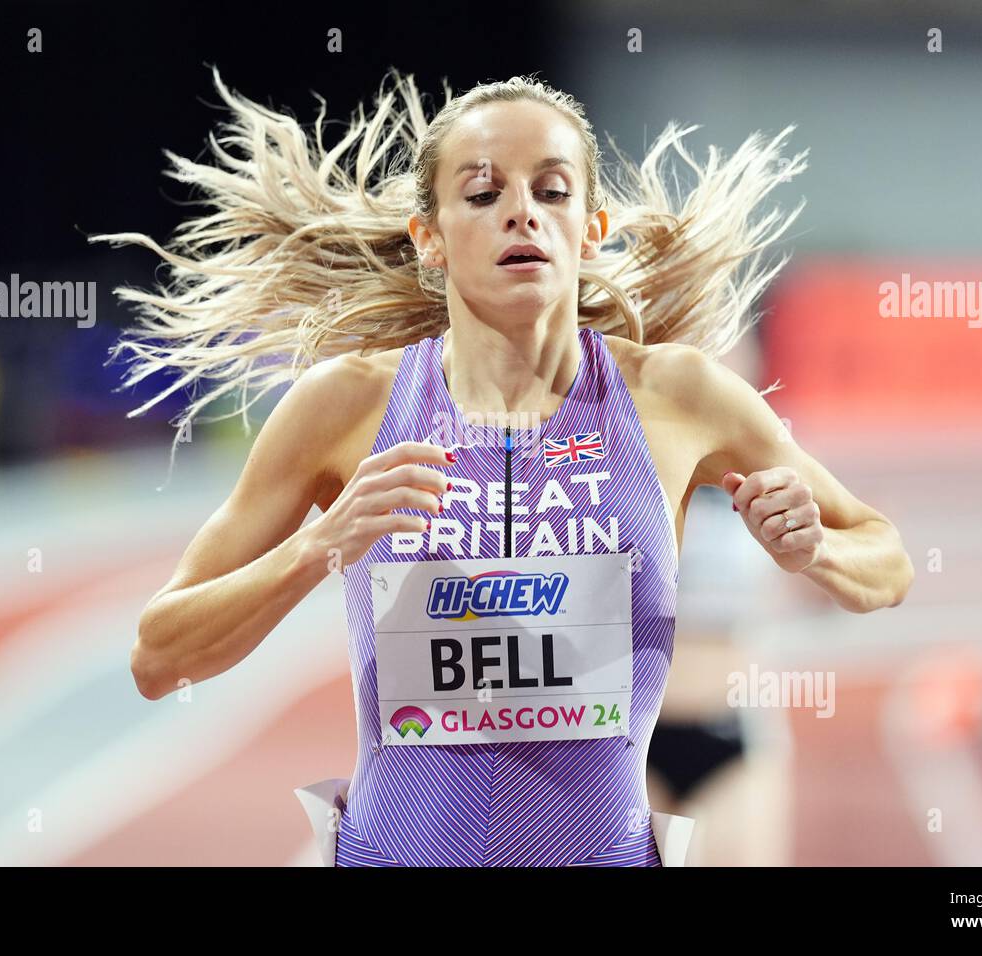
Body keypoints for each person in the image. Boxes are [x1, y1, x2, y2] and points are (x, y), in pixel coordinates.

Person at [92, 68, 914, 866]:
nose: (521, 212)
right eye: (483, 195)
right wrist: (319, 548)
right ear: (432, 239)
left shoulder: (679, 397)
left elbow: (886, 557)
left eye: (552, 191)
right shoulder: (345, 406)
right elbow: (159, 658)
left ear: (591, 228)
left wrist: (817, 553)